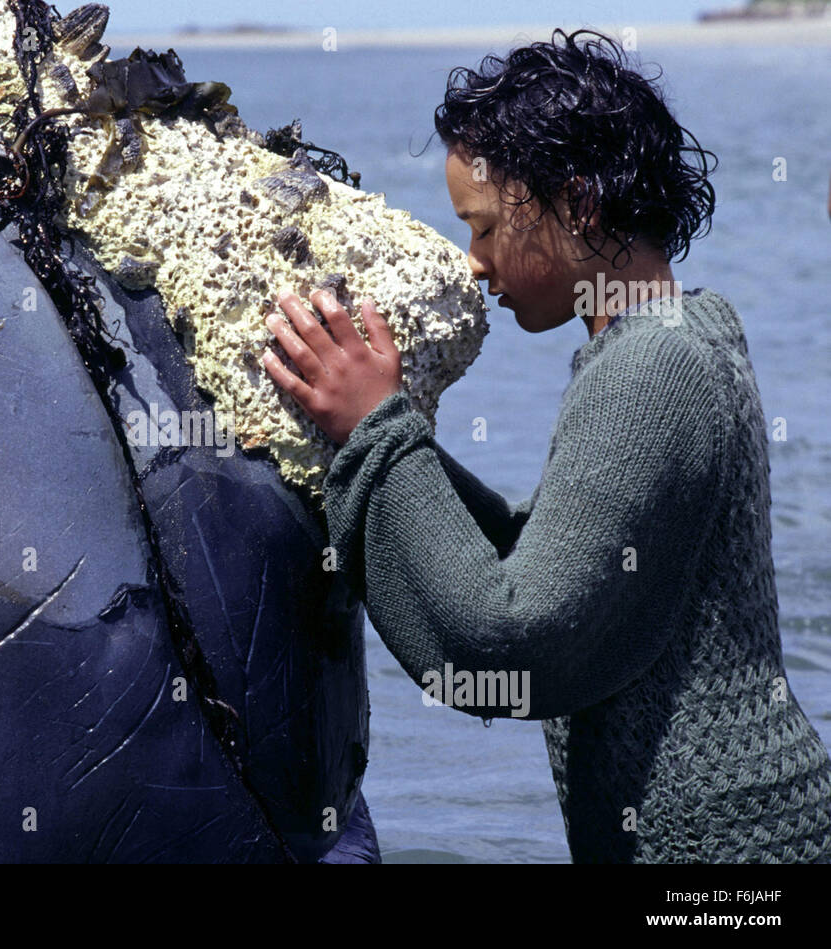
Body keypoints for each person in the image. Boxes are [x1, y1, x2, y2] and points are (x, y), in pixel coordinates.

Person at [261, 28, 831, 863]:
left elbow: (514, 635)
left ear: (578, 206)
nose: (476, 266)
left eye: (485, 229)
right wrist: (382, 435)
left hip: (727, 858)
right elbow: (563, 553)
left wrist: (377, 429)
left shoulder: (649, 367)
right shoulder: (686, 330)